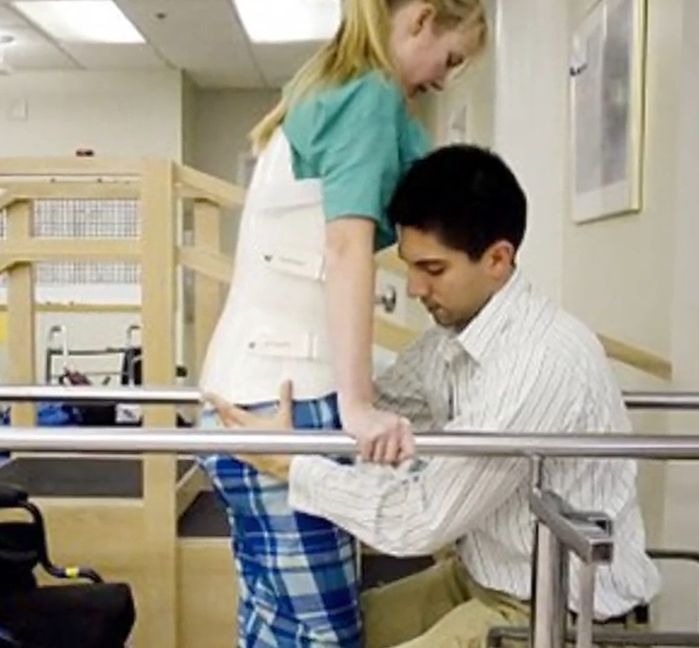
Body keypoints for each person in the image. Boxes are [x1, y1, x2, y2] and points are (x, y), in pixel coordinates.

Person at [207, 145, 663, 647]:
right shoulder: (450, 339)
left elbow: (419, 521)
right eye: (410, 266)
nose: (416, 288)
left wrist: (291, 466)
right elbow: (382, 408)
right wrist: (298, 408)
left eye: (434, 269)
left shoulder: (539, 363)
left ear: (497, 258)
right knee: (330, 632)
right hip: (482, 578)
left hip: (562, 613)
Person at [194, 0, 488, 648]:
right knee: (323, 637)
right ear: (421, 20)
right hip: (285, 398)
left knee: (276, 627)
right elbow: (346, 248)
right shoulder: (368, 97)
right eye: (450, 57)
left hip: (250, 388)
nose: (444, 78)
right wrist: (358, 407)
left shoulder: (327, 85)